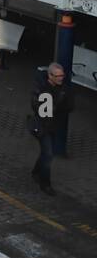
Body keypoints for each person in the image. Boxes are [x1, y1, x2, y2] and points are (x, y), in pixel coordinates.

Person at [29, 62, 74, 196]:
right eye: (58, 76)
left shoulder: (63, 88)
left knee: (46, 153)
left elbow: (70, 106)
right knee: (48, 155)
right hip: (43, 126)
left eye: (62, 75)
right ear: (50, 75)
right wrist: (56, 103)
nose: (61, 78)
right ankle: (45, 184)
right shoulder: (41, 88)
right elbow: (38, 106)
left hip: (53, 125)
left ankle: (36, 172)